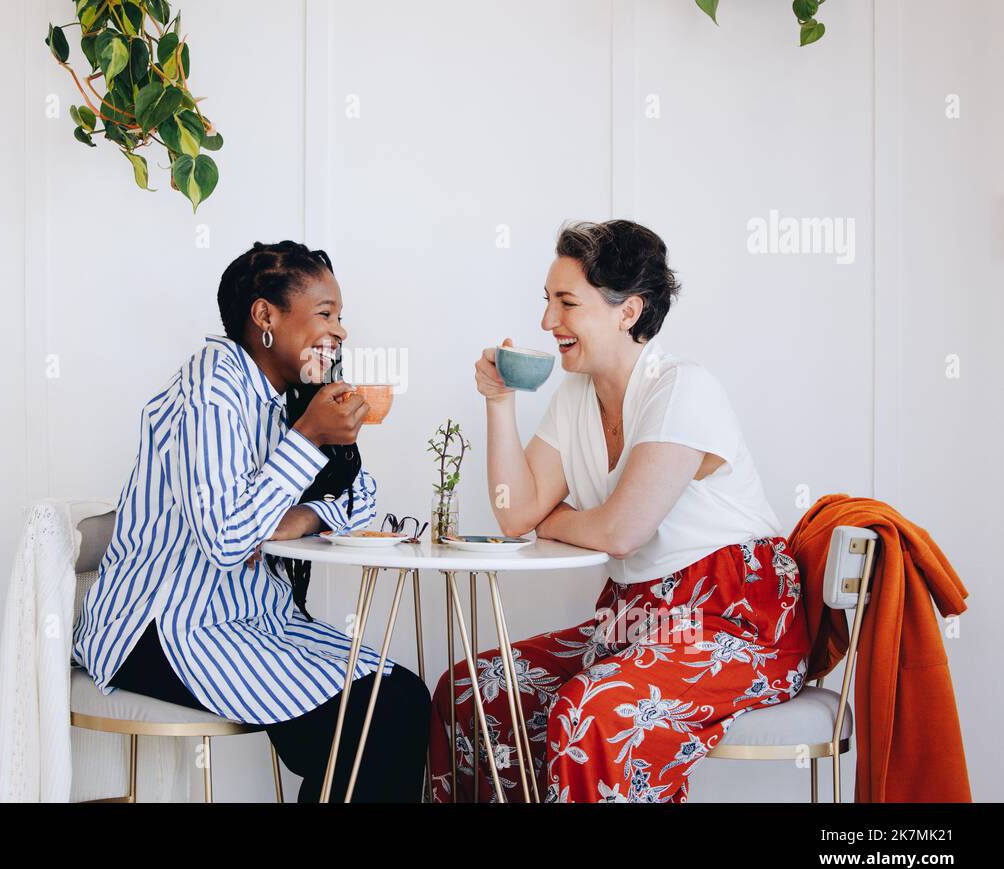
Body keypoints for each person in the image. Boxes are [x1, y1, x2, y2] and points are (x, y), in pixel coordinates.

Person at [428, 219, 809, 803]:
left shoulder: (683, 388)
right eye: (547, 301)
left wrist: (553, 521)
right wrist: (499, 402)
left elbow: (622, 532)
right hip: (633, 622)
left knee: (593, 711)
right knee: (473, 690)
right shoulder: (574, 397)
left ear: (627, 312)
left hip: (736, 624)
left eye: (566, 302)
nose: (547, 322)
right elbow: (514, 514)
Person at [74, 240, 429, 802]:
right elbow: (227, 539)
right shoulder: (212, 384)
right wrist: (307, 439)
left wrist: (298, 517)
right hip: (166, 627)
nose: (340, 332)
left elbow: (362, 502)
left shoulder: (290, 397)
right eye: (325, 314)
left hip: (254, 618)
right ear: (265, 316)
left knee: (404, 696)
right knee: (369, 723)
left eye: (340, 318)